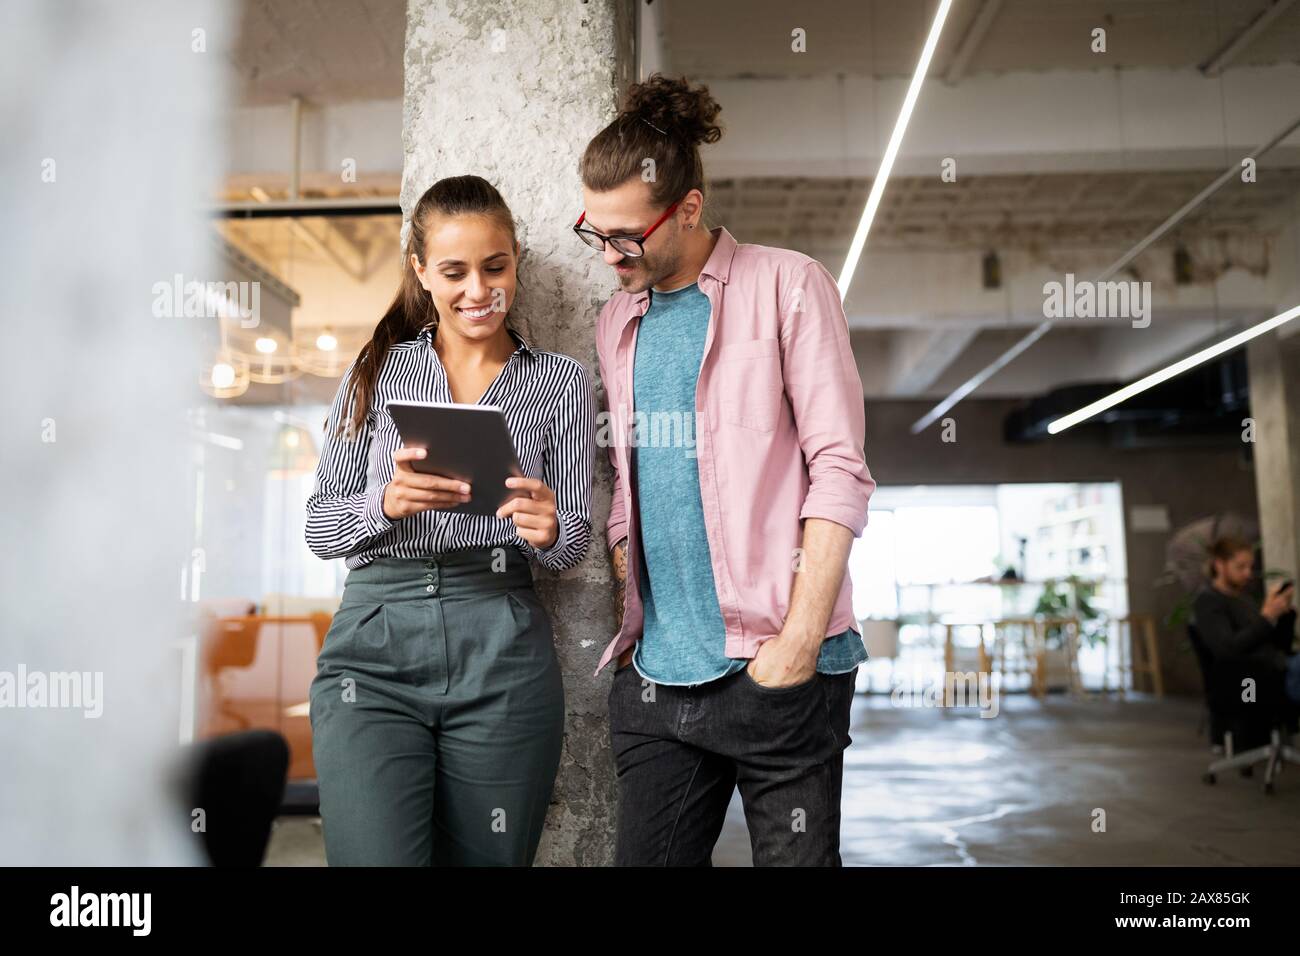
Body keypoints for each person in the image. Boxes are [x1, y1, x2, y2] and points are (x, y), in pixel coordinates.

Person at [578, 74, 875, 866]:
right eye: (594, 233)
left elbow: (840, 470)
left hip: (779, 669)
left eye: (627, 237)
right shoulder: (618, 321)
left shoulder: (789, 285)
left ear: (688, 209)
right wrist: (625, 592)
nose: (610, 257)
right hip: (655, 678)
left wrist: (799, 643)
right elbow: (627, 479)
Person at [305, 174, 594, 866]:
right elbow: (318, 527)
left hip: (500, 641)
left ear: (517, 260)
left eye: (496, 267)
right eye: (454, 272)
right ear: (421, 272)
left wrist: (550, 529)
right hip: (374, 646)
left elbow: (576, 539)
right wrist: (385, 504)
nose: (479, 291)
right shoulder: (376, 371)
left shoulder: (562, 384)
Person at [1192, 535, 1298, 716]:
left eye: (1250, 567)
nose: (1248, 573)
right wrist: (1266, 616)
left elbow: (1276, 643)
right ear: (1219, 565)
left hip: (1274, 667)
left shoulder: (1244, 599)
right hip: (1248, 680)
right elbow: (1229, 648)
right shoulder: (1209, 601)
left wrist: (1284, 616)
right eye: (1240, 567)